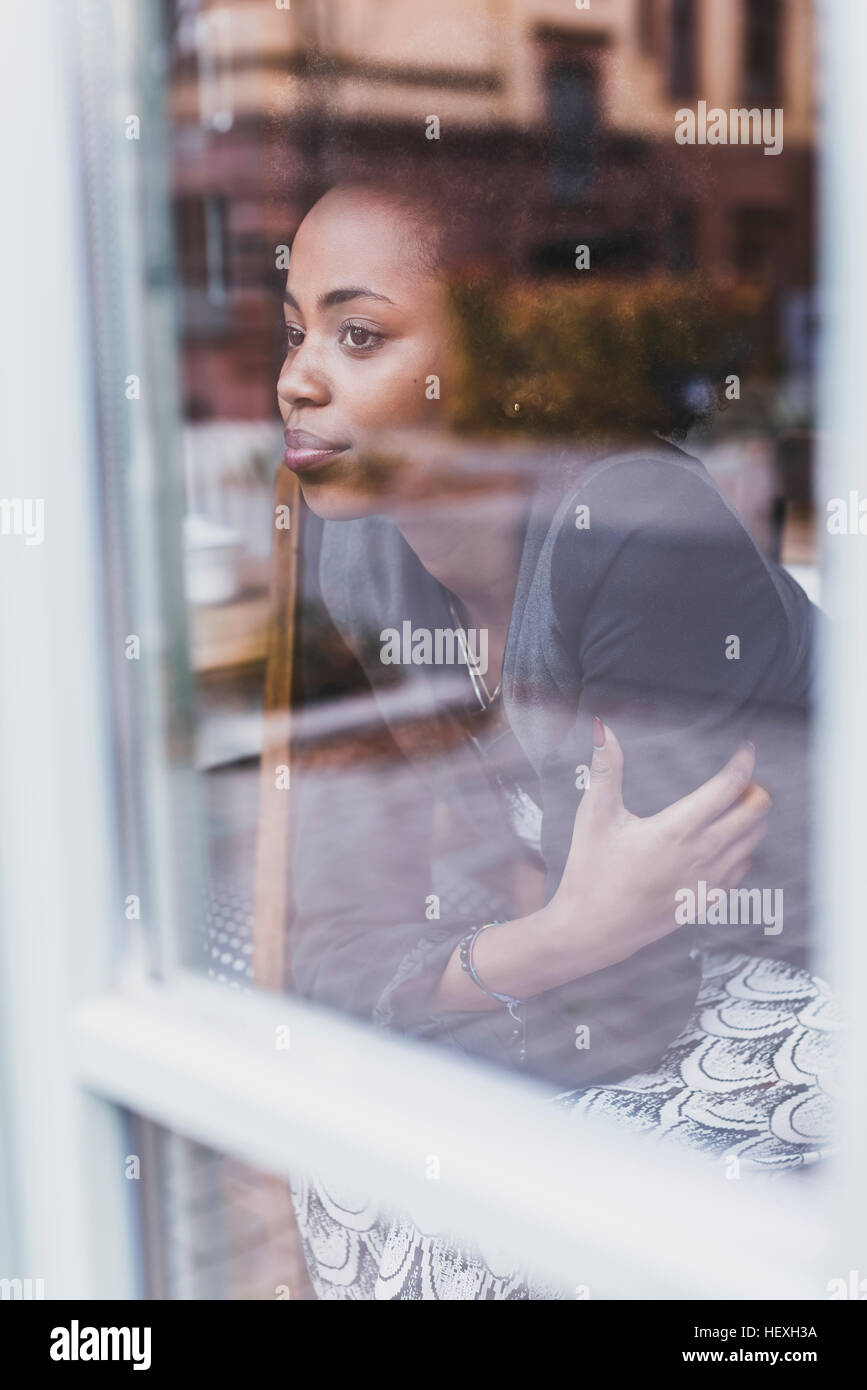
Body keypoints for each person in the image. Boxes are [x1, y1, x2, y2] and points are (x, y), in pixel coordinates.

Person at [276, 180, 836, 1300]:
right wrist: (553, 937)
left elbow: (632, 998)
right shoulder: (356, 555)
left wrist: (494, 961)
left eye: (359, 334)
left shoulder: (635, 529)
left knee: (523, 1217)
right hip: (622, 975)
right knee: (344, 1152)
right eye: (295, 331)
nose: (296, 376)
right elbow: (328, 943)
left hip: (812, 976)